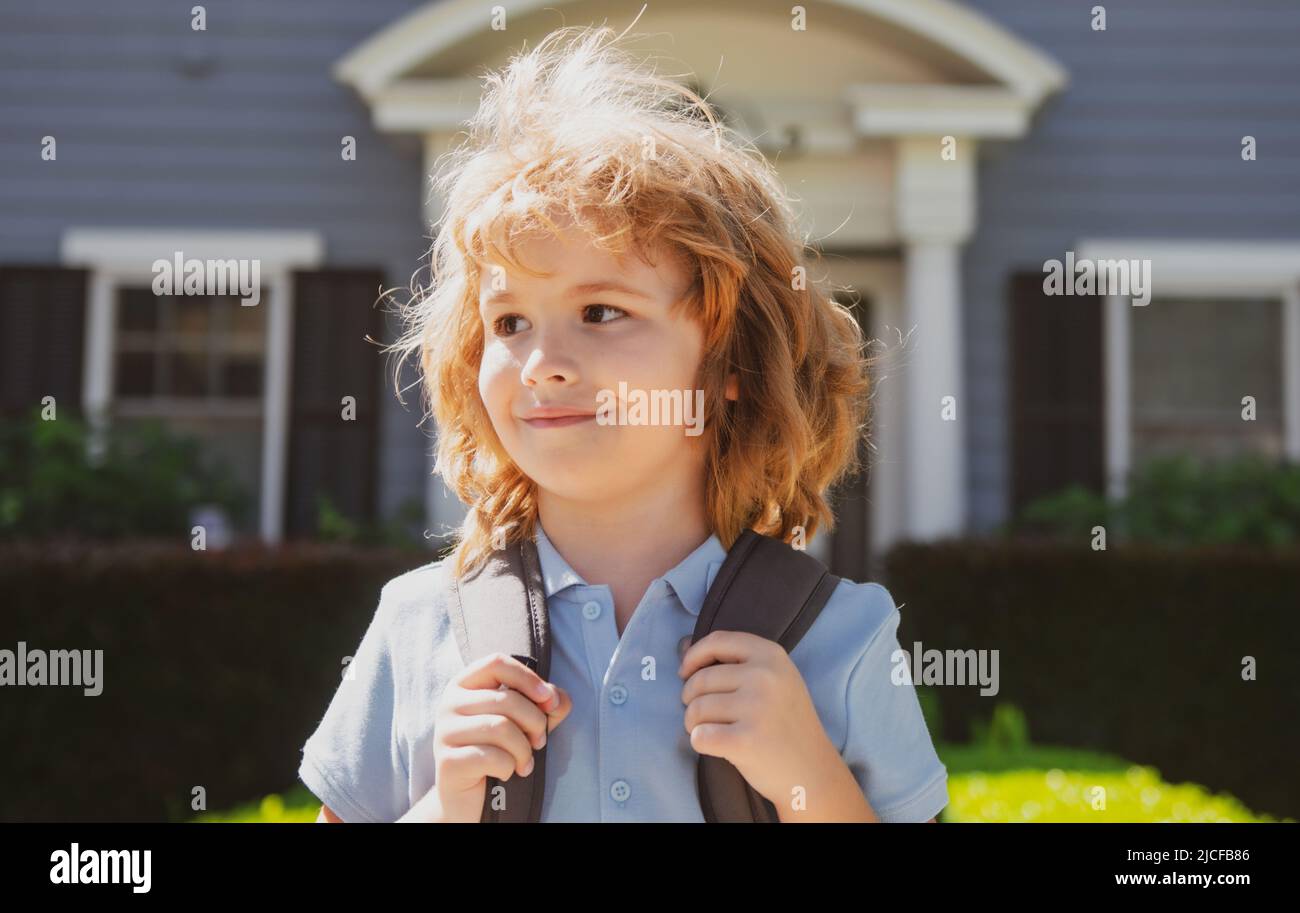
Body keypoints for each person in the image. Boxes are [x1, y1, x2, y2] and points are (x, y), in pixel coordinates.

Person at [299, 23, 947, 823]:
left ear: (732, 363)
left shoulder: (839, 637)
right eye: (507, 323)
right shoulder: (419, 624)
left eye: (601, 311)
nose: (542, 362)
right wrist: (443, 807)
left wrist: (807, 772)